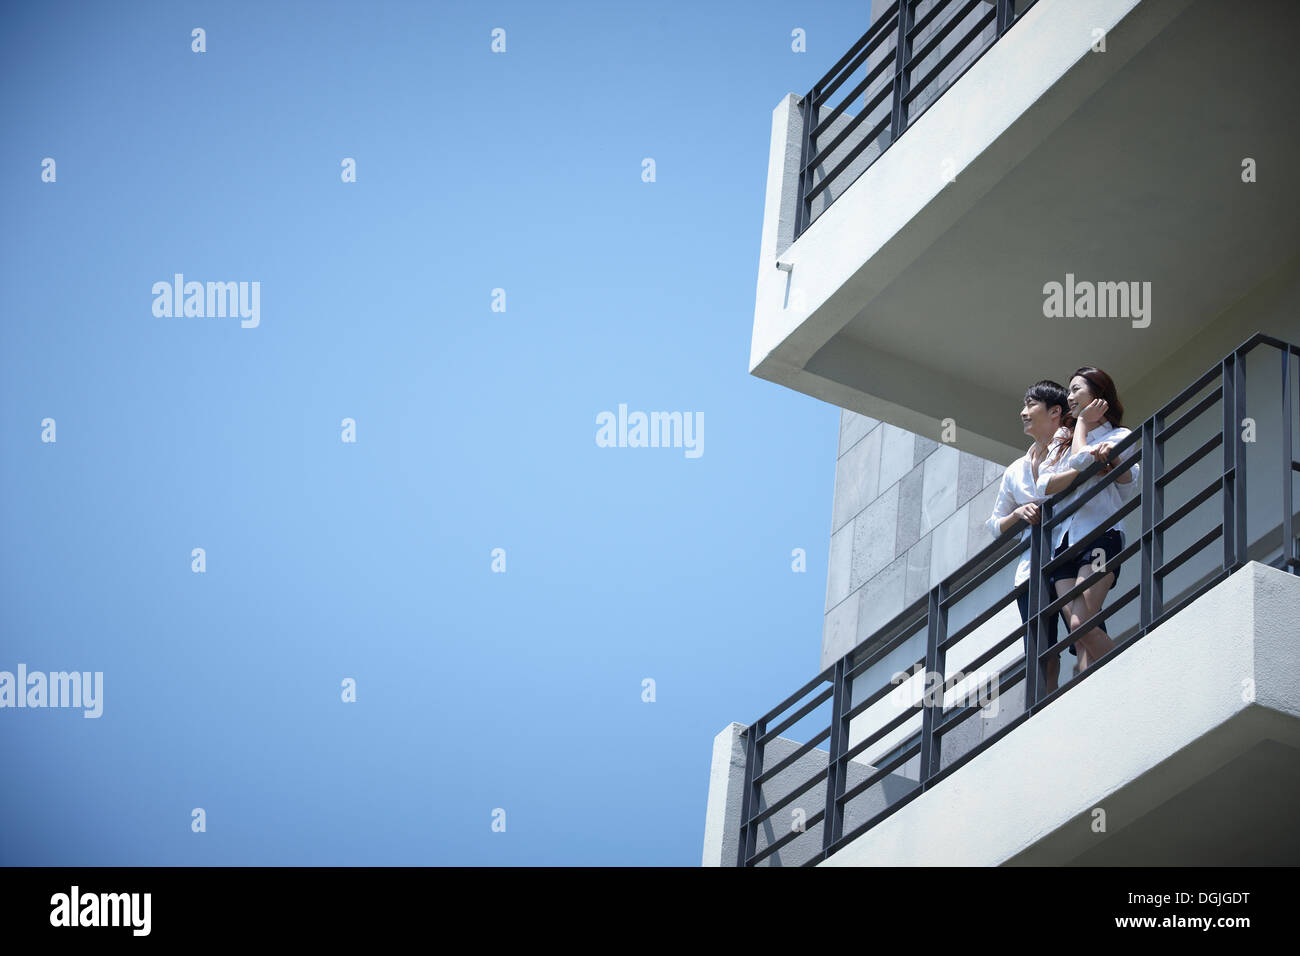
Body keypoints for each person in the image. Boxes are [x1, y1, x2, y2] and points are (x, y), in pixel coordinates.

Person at [1034, 366, 1139, 673]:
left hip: (1100, 535)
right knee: (1079, 635)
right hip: (1064, 545)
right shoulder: (1062, 442)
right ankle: (1090, 683)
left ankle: (1129, 672)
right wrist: (1082, 454)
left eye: (1076, 389)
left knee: (1081, 622)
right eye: (1070, 391)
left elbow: (1118, 479)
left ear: (1098, 394)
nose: (1070, 397)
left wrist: (1082, 425)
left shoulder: (1120, 435)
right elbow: (1042, 486)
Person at [986, 381, 1076, 692]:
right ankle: (1043, 711)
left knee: (1082, 630)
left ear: (1055, 412)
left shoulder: (1073, 447)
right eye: (1023, 406)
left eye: (1031, 405)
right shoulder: (1015, 470)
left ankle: (1094, 691)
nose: (1023, 412)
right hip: (1030, 569)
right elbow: (995, 526)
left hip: (1071, 552)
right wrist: (1018, 514)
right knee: (1041, 652)